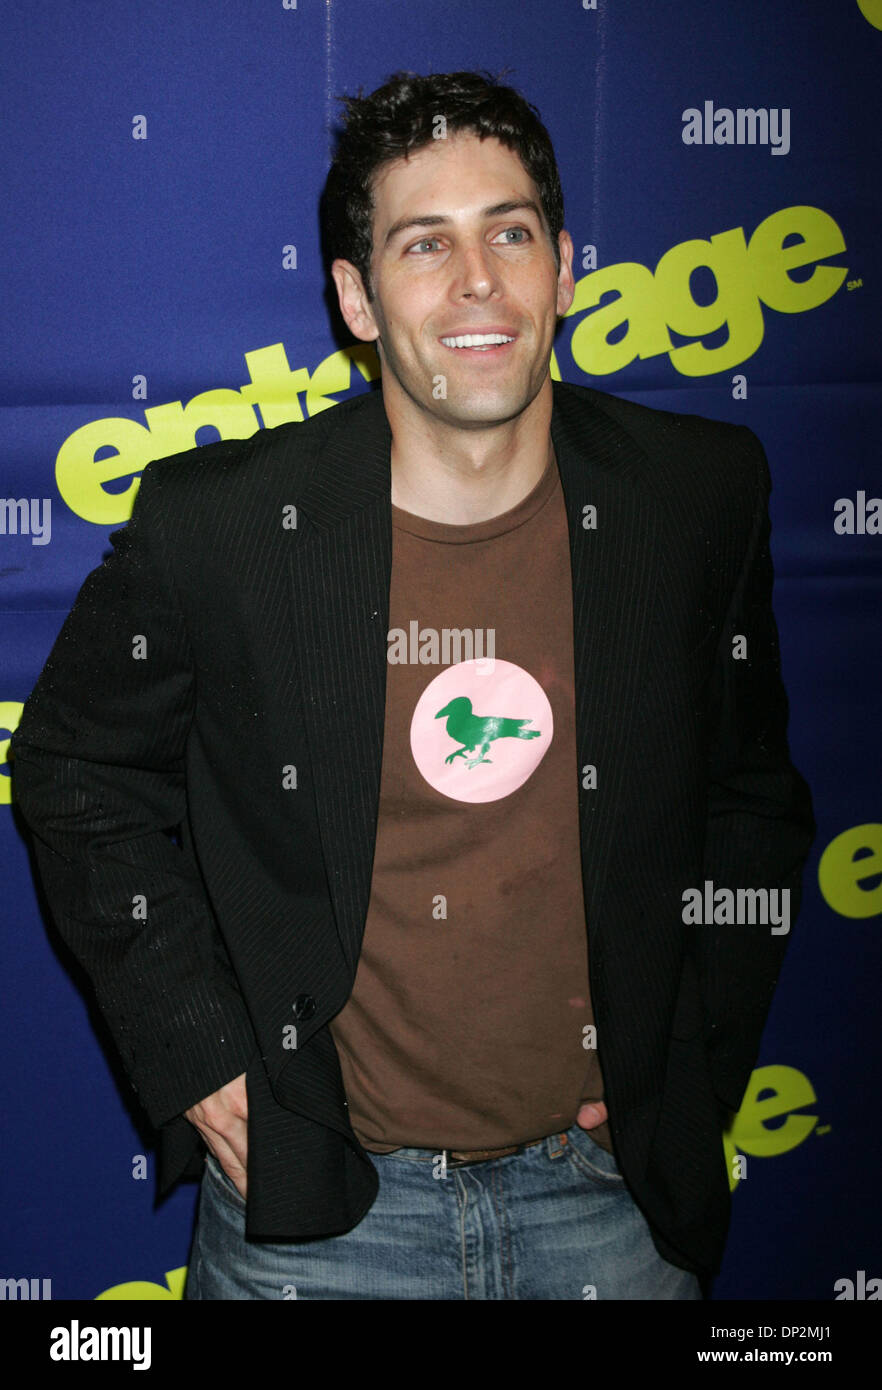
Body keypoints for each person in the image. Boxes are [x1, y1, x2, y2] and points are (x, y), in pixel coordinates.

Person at [10, 69, 815, 1300]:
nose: (478, 282)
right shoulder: (221, 527)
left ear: (567, 269)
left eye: (510, 232)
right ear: (357, 297)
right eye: (423, 244)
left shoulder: (695, 499)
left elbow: (750, 798)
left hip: (608, 1203)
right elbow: (75, 767)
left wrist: (691, 1049)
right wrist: (192, 1047)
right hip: (325, 1219)